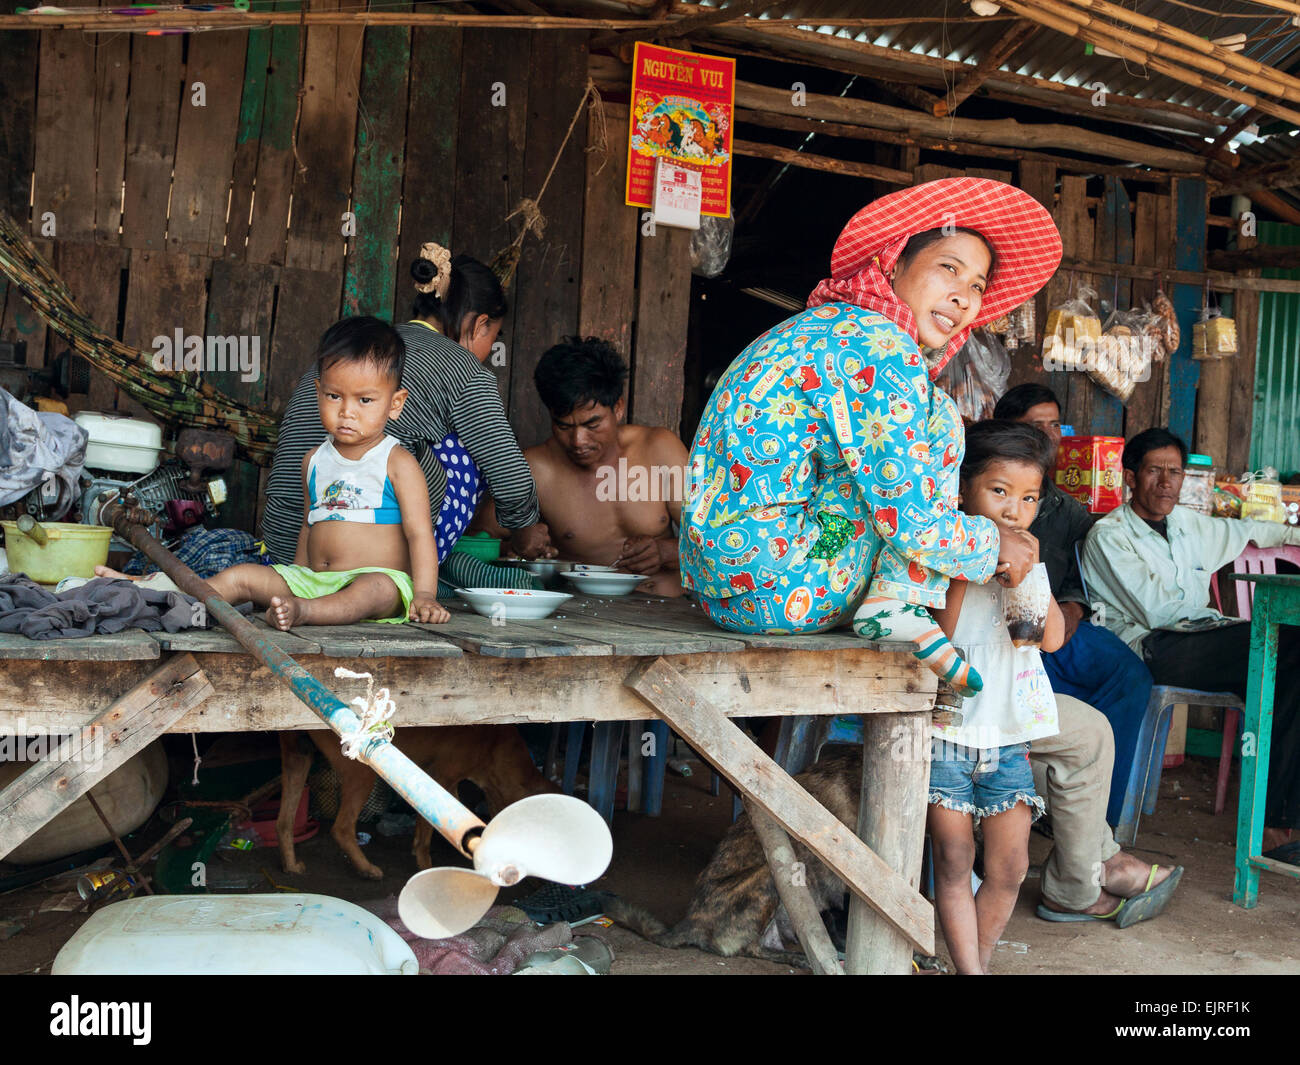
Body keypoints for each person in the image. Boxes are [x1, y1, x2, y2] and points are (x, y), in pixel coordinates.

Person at [679, 178, 1060, 691]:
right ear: (893, 261)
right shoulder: (882, 346)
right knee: (940, 418)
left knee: (911, 433)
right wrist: (993, 542)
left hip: (722, 585)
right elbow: (910, 520)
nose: (964, 297)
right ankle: (897, 601)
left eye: (977, 285)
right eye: (949, 267)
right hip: (782, 583)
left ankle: (893, 601)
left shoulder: (833, 326)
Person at [102, 318, 450, 629]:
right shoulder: (314, 460)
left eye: (365, 400)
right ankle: (151, 596)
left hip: (378, 582)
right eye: (334, 396)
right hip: (312, 582)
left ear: (395, 404)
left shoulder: (396, 461)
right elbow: (308, 525)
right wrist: (295, 575)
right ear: (318, 392)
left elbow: (420, 534)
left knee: (373, 590)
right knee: (240, 577)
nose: (347, 412)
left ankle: (305, 612)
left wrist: (423, 594)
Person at [261, 244, 554, 584]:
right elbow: (511, 477)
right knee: (468, 444)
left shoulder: (354, 354)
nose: (489, 350)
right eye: (493, 335)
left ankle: (437, 575)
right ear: (480, 325)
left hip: (285, 550)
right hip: (365, 564)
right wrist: (523, 533)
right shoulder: (464, 368)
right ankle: (417, 577)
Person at [1082, 427, 1300, 863]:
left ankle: (1280, 823)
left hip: (1203, 638)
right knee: (1287, 645)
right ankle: (1275, 826)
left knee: (1292, 667)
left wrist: (1294, 535)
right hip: (1152, 649)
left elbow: (1257, 530)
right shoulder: (1109, 536)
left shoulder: (1188, 526)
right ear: (1130, 477)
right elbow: (1159, 613)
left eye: (1175, 472)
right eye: (1153, 471)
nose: (1166, 482)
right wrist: (1227, 622)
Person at [926, 420, 1062, 973]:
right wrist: (972, 562)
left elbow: (1050, 638)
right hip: (945, 735)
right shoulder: (943, 559)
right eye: (999, 491)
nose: (1014, 510)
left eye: (1028, 498)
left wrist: (1026, 578)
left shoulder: (1030, 561)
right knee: (954, 864)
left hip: (1007, 739)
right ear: (963, 491)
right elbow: (941, 632)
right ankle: (969, 971)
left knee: (1009, 869)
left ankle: (975, 966)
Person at [994, 383, 1154, 825]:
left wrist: (1072, 609)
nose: (1048, 435)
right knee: (1036, 676)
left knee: (1128, 674)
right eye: (1035, 425)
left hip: (1060, 624)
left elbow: (1079, 578)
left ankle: (1101, 819)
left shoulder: (1067, 508)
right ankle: (1051, 803)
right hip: (1007, 631)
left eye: (1054, 424)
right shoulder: (980, 493)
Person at [476, 337, 689, 596]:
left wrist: (666, 551)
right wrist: (514, 545)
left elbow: (721, 540)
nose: (578, 441)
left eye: (592, 425)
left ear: (618, 408)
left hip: (671, 615)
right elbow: (475, 542)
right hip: (583, 622)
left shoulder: (659, 449)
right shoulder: (535, 469)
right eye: (564, 426)